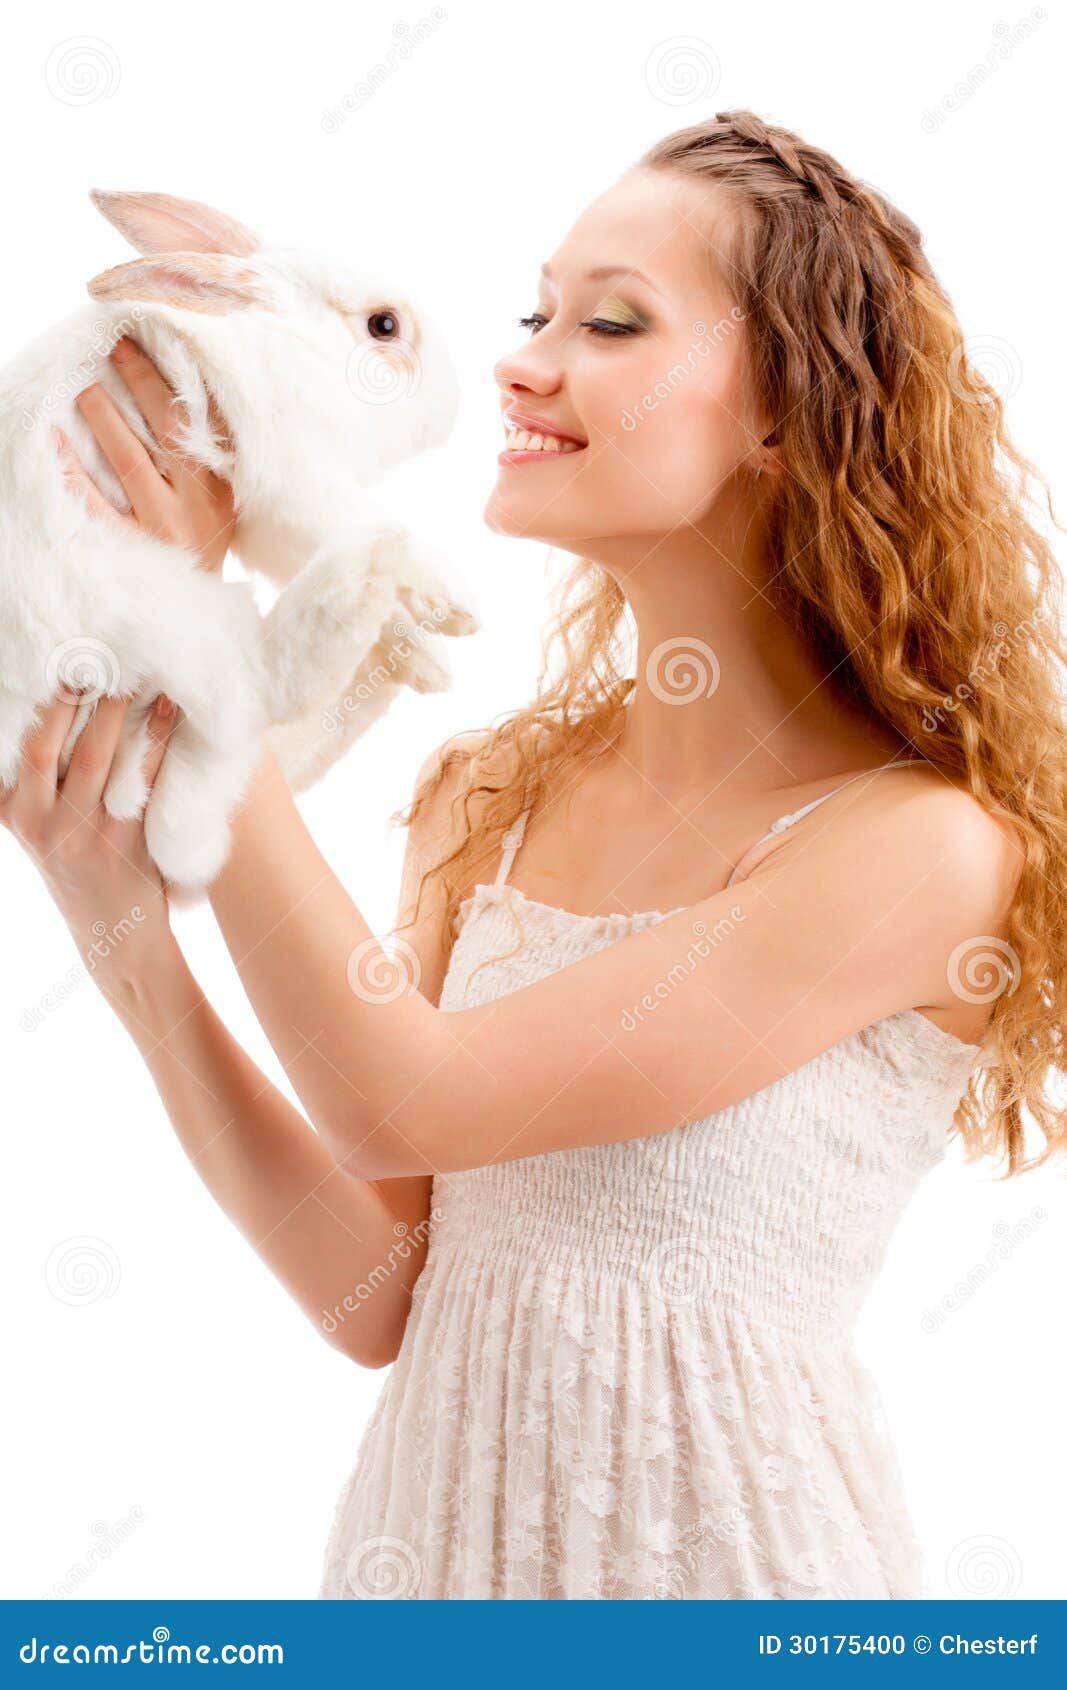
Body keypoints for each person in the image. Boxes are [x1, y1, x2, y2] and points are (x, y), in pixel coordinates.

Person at [4, 109, 1062, 1600]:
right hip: (436, 1571)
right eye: (537, 309)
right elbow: (382, 1292)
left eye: (612, 321)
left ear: (787, 412)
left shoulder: (919, 854)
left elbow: (399, 1094)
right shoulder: (487, 798)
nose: (521, 359)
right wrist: (126, 935)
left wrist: (192, 640)